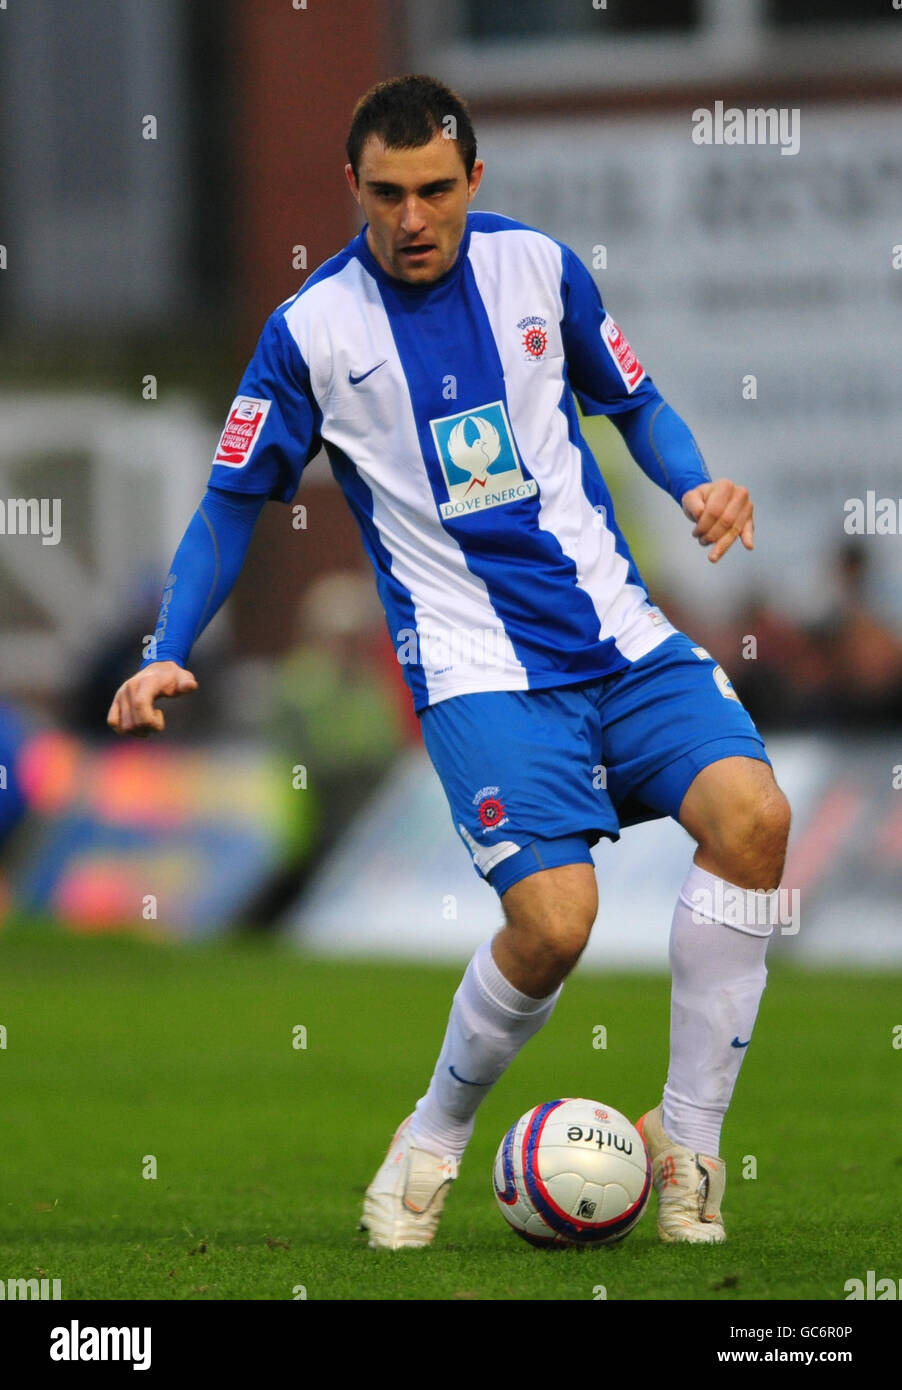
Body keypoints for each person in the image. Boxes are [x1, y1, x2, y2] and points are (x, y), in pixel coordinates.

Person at [107, 75, 791, 1249]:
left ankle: (688, 1142)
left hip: (620, 637)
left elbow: (634, 400)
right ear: (352, 187)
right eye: (386, 193)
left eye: (434, 190)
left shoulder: (538, 268)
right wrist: (168, 648)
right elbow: (229, 506)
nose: (411, 218)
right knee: (555, 922)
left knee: (755, 819)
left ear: (473, 179)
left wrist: (696, 484)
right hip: (477, 669)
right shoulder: (310, 333)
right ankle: (429, 1137)